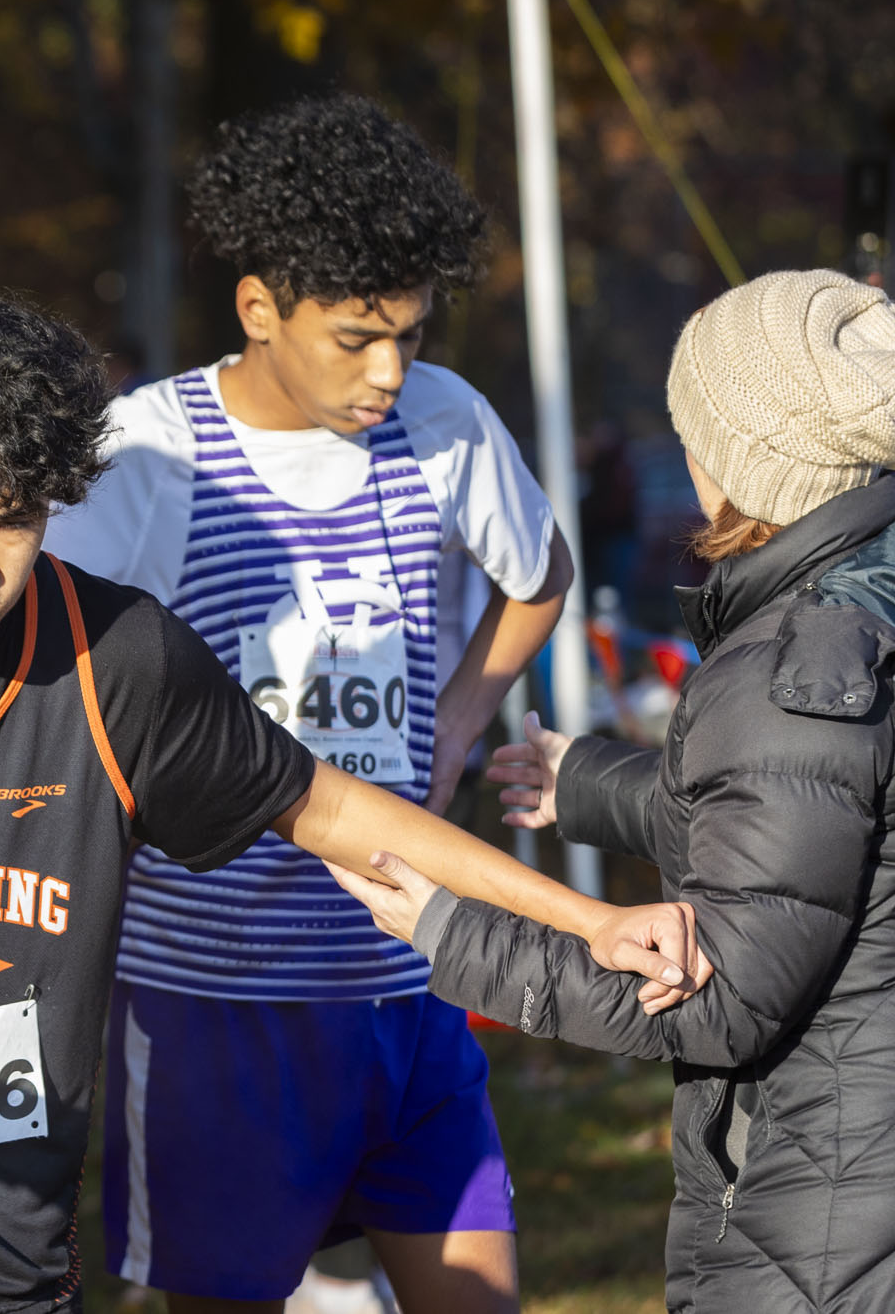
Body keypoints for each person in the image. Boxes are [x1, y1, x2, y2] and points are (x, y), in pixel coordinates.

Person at [0, 281, 702, 1314]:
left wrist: (589, 919)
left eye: (9, 519)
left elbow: (336, 812)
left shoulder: (113, 654)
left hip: (17, 1244)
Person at [41, 94, 564, 1313]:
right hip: (212, 996)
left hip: (409, 973)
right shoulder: (147, 451)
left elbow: (538, 577)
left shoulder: (444, 420)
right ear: (257, 309)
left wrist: (457, 718)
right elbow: (51, 664)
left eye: (410, 336)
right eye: (355, 338)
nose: (388, 372)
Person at [333, 269, 895, 1314]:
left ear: (742, 457)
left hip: (827, 1224)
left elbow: (720, 994)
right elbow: (813, 826)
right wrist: (587, 784)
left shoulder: (797, 668)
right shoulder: (866, 612)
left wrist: (456, 933)